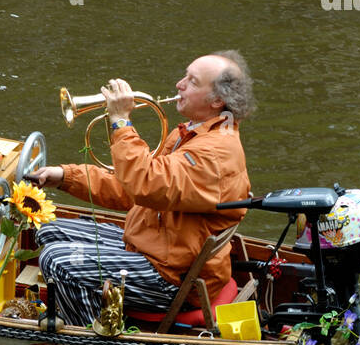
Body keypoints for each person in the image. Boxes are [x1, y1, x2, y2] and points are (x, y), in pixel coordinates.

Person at [29, 52, 254, 328]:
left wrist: (121, 122)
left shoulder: (213, 153)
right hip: (154, 246)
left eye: (193, 82)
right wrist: (66, 176)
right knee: (46, 231)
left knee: (57, 260)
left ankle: (91, 340)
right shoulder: (193, 134)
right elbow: (130, 191)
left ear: (217, 101)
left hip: (170, 278)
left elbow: (143, 183)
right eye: (185, 75)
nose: (179, 84)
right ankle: (82, 309)